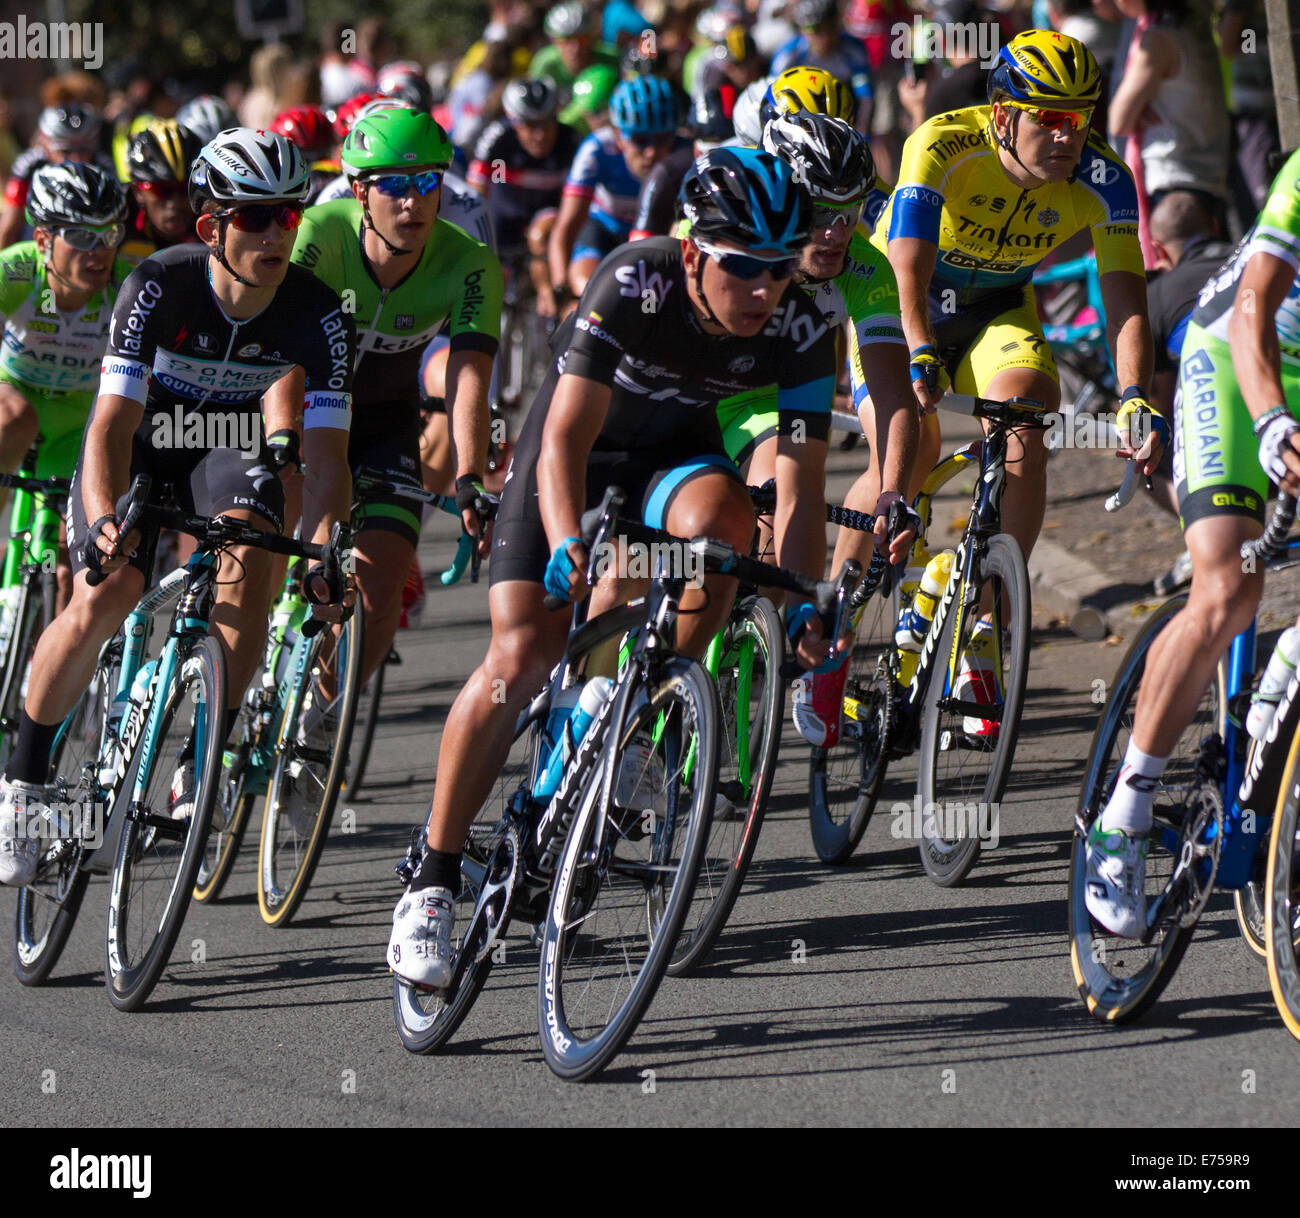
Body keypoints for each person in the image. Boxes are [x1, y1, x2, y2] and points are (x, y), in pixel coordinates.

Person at [386, 147, 847, 986]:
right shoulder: (635, 281)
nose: (762, 291)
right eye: (743, 268)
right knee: (521, 655)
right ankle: (434, 875)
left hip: (672, 459)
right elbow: (561, 438)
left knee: (731, 528)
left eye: (778, 271)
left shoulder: (808, 317)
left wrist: (803, 599)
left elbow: (804, 484)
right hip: (575, 461)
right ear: (698, 252)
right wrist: (566, 539)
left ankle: (640, 701)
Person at [0, 129, 357, 886]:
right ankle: (24, 785)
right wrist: (102, 522)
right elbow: (110, 426)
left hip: (225, 445)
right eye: (253, 217)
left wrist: (328, 550)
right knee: (111, 589)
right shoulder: (160, 283)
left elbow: (326, 463)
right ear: (211, 227)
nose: (275, 232)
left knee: (250, 554)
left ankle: (207, 759)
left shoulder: (320, 312)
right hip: (143, 439)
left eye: (287, 216)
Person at [872, 29, 1161, 741]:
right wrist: (916, 352)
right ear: (1003, 114)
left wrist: (1133, 396)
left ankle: (989, 615)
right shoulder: (943, 144)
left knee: (1028, 412)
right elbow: (905, 267)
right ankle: (835, 626)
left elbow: (1125, 296)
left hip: (997, 304)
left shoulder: (1104, 179)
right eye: (1050, 119)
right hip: (903, 303)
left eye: (1081, 117)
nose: (1068, 136)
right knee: (911, 440)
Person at [1085, 148, 1300, 937]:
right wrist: (1274, 417)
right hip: (1240, 360)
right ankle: (1125, 814)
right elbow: (1252, 307)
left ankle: (1283, 680)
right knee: (1229, 585)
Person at [276, 109, 501, 696]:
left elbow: (469, 376)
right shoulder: (318, 233)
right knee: (279, 556)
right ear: (359, 189)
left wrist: (471, 474)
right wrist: (282, 432)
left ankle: (317, 725)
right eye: (395, 186)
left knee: (380, 596)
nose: (413, 202)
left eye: (428, 183)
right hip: (304, 408)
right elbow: (278, 350)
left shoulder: (469, 261)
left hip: (384, 422)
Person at [0, 163, 133, 598]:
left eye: (110, 234)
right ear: (42, 240)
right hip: (14, 396)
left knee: (61, 571)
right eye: (80, 236)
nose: (99, 251)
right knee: (12, 419)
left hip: (76, 422)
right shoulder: (18, 272)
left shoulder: (126, 286)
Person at [549, 76, 687, 302]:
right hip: (606, 232)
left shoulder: (685, 152)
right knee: (588, 292)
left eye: (662, 139)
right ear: (618, 136)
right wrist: (559, 288)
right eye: (640, 140)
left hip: (659, 238)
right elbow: (567, 225)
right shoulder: (596, 149)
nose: (651, 151)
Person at [468, 78, 580, 316]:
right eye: (530, 126)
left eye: (546, 124)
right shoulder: (498, 137)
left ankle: (550, 302)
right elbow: (474, 193)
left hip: (547, 216)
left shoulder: (571, 141)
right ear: (515, 122)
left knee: (542, 235)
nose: (540, 135)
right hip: (505, 214)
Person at [0, 104, 107, 249]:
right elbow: (9, 228)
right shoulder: (29, 166)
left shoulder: (103, 166)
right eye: (65, 150)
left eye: (83, 150)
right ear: (45, 144)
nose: (75, 159)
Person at [770, 0, 875, 136]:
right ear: (802, 30)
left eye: (830, 28)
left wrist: (862, 134)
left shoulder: (854, 49)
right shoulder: (788, 55)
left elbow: (865, 97)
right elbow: (773, 98)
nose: (824, 37)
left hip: (843, 115)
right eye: (816, 30)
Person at [118, 120, 204, 264]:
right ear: (137, 191)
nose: (175, 203)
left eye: (186, 188)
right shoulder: (120, 219)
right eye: (162, 190)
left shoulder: (214, 216)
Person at [530, 2, 621, 98]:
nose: (575, 48)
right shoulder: (545, 65)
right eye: (566, 40)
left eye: (582, 39)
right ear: (553, 41)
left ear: (592, 38)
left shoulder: (611, 60)